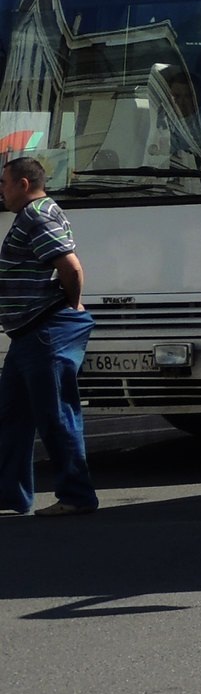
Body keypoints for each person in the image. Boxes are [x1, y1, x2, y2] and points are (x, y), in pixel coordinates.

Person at [0, 156, 97, 516]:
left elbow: (70, 266)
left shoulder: (36, 215)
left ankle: (76, 496)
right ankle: (11, 495)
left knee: (56, 415)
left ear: (24, 184)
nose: (2, 191)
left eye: (5, 183)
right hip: (27, 333)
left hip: (46, 330)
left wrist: (71, 306)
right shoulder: (38, 212)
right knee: (11, 415)